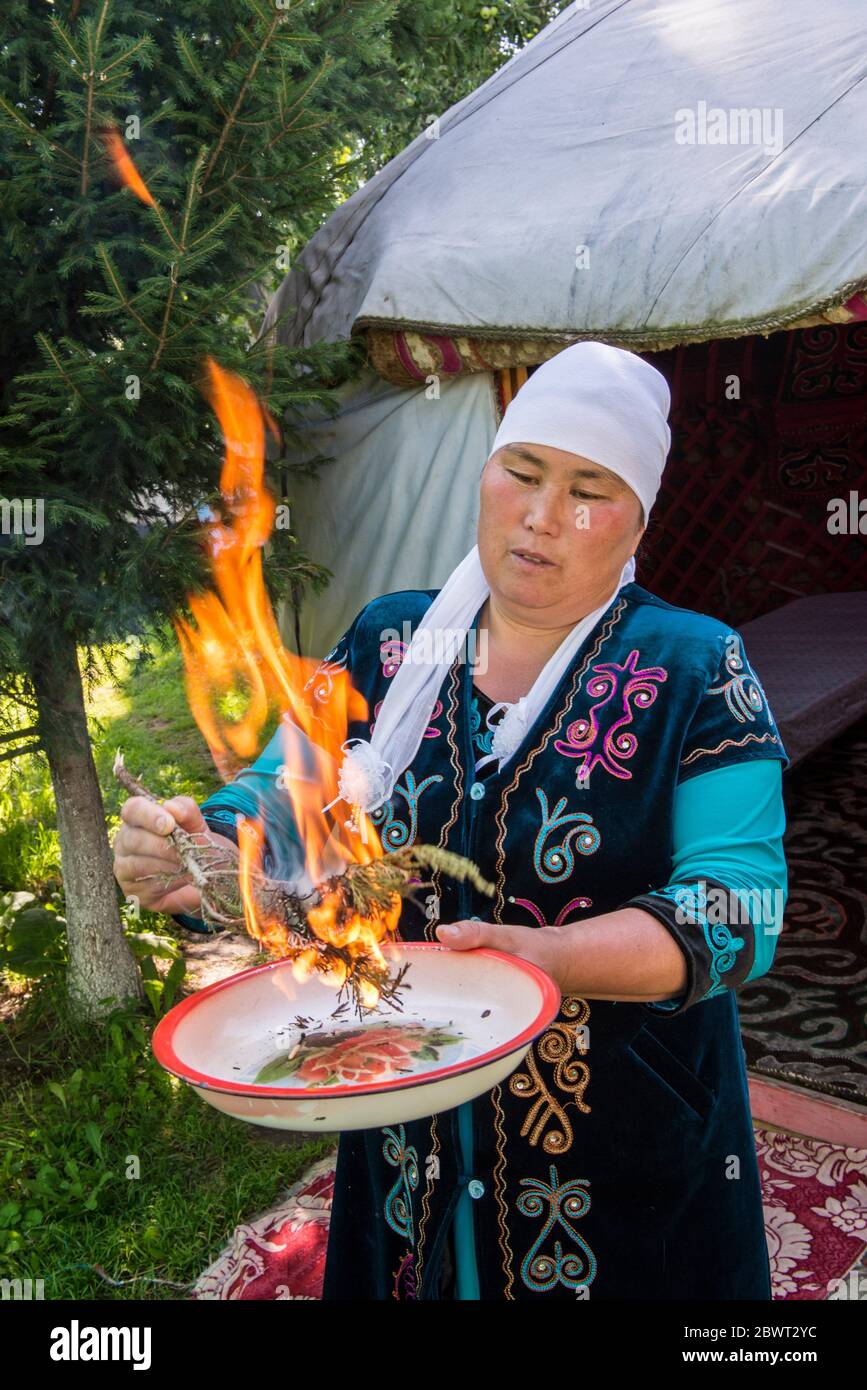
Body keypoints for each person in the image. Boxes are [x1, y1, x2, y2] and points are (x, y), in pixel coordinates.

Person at [114, 341, 788, 1301]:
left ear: (638, 519)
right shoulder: (392, 640)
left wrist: (542, 959)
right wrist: (206, 851)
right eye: (521, 471)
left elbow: (737, 912)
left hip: (619, 1131)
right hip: (408, 1111)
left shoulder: (694, 668)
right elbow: (287, 792)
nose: (541, 517)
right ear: (486, 472)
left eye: (588, 490)